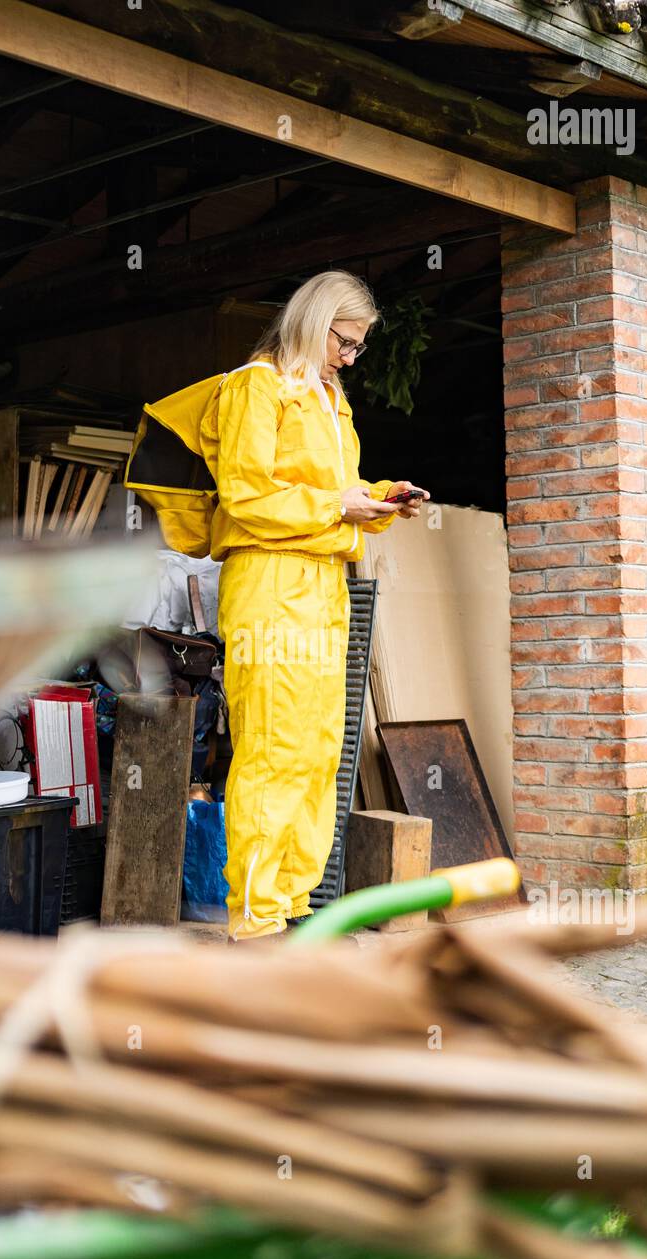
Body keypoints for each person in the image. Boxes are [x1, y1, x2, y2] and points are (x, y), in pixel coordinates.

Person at [204, 270, 428, 940]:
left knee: (318, 749)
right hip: (270, 587)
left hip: (324, 588)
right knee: (273, 748)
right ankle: (256, 915)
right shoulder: (255, 386)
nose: (351, 358)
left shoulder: (332, 399)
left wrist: (382, 496)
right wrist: (338, 506)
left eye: (359, 348)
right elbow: (245, 495)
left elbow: (340, 488)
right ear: (312, 320)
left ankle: (296, 903)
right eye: (346, 342)